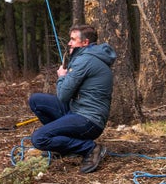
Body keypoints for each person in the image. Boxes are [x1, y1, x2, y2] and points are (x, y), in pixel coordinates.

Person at [27, 24, 115, 173]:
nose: (69, 43)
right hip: (77, 111)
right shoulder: (88, 57)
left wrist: (61, 77)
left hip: (88, 120)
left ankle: (90, 149)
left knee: (39, 138)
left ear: (85, 42)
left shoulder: (85, 60)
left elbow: (62, 96)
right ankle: (62, 145)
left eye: (73, 40)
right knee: (36, 100)